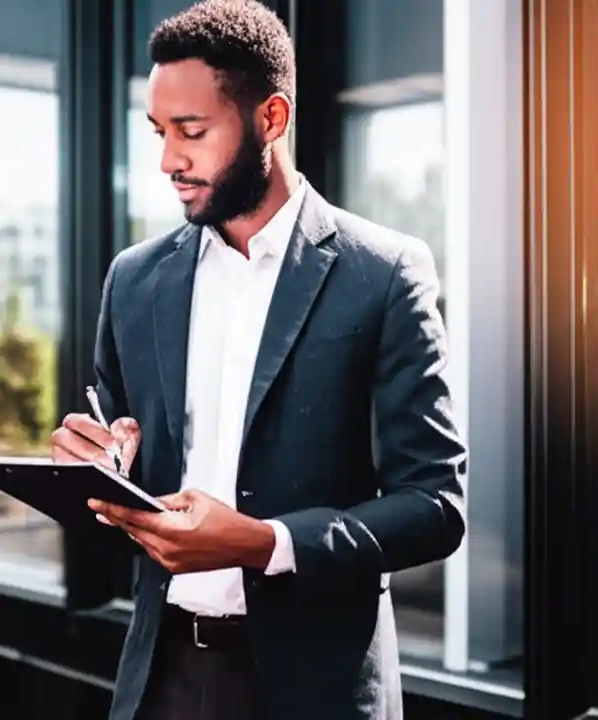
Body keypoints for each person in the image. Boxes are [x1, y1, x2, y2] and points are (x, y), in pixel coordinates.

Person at [50, 1, 466, 718]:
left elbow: (434, 506)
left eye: (192, 131)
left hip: (317, 687)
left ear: (271, 118)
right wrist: (97, 472)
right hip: (161, 679)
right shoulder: (134, 280)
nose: (168, 160)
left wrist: (263, 543)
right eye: (159, 132)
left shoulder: (385, 273)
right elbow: (126, 468)